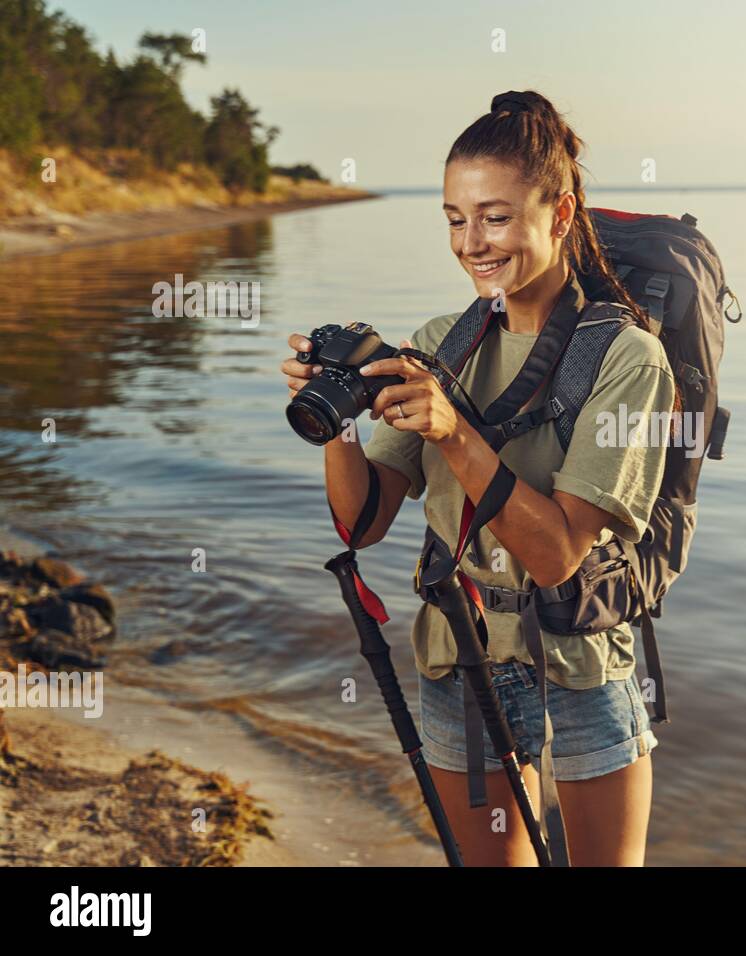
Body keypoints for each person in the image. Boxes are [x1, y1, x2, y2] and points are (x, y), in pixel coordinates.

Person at [281, 90, 677, 866]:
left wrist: (453, 430)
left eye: (495, 217)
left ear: (560, 215)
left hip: (582, 659)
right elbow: (362, 525)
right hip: (459, 653)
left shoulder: (630, 360)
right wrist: (337, 418)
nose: (472, 244)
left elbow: (558, 554)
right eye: (455, 220)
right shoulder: (437, 344)